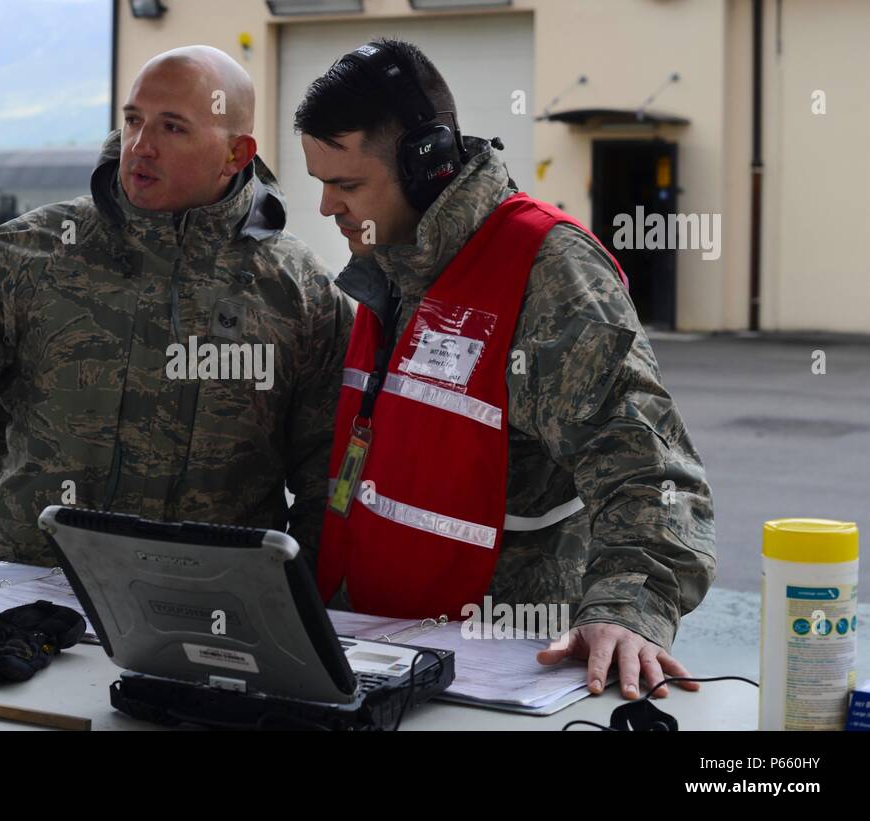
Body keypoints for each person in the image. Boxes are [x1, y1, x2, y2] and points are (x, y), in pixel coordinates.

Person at [294, 38, 715, 700]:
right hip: (370, 659)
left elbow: (652, 474)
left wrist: (626, 612)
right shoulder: (395, 269)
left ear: (426, 164)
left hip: (496, 678)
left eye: (346, 185)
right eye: (321, 184)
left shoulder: (548, 271)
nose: (327, 207)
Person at [0, 45, 352, 567]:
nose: (140, 145)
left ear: (235, 153)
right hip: (27, 602)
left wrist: (302, 609)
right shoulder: (30, 252)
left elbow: (325, 480)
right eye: (133, 120)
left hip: (206, 614)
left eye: (172, 126)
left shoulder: (298, 291)